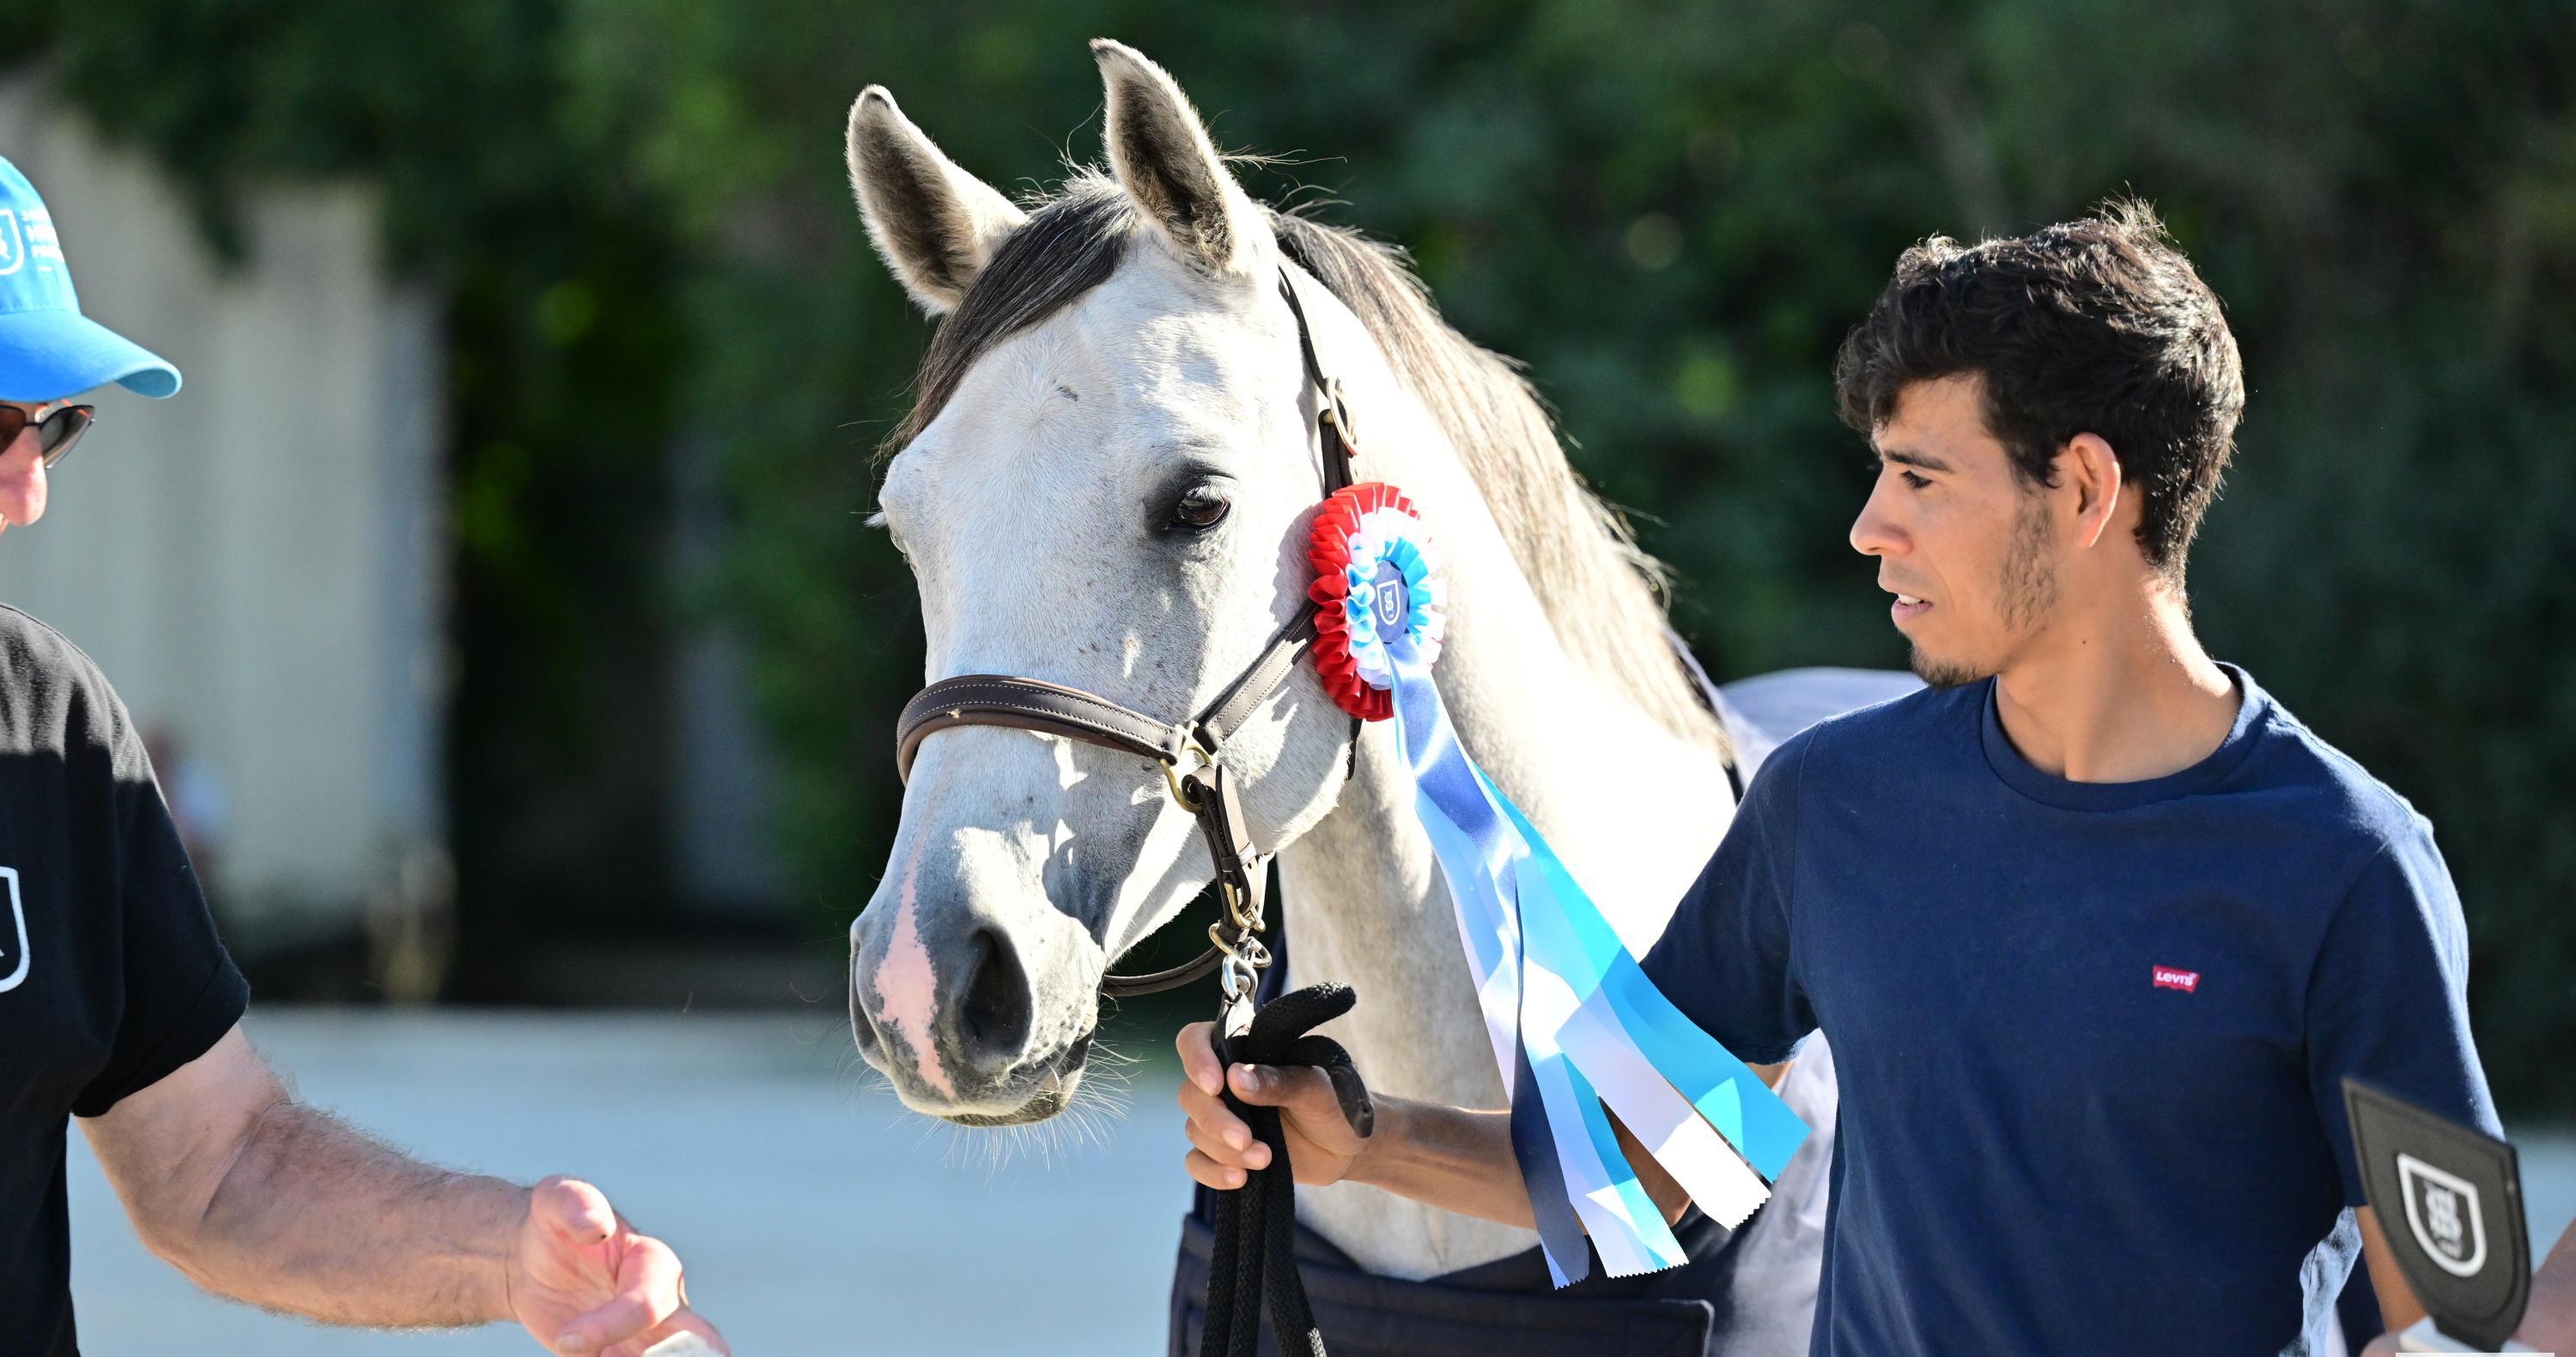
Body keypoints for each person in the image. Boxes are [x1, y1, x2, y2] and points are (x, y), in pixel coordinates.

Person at [1176, 201, 2497, 1353]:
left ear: (2088, 490)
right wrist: (1359, 1142)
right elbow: (1643, 1162)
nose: (1870, 528)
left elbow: (2455, 1293)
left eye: (1921, 477)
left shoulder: (2344, 866)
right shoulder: (1831, 806)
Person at [0, 156, 726, 1357]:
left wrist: (508, 1254)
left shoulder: (51, 732)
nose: (27, 495)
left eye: (52, 427)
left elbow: (221, 1169)